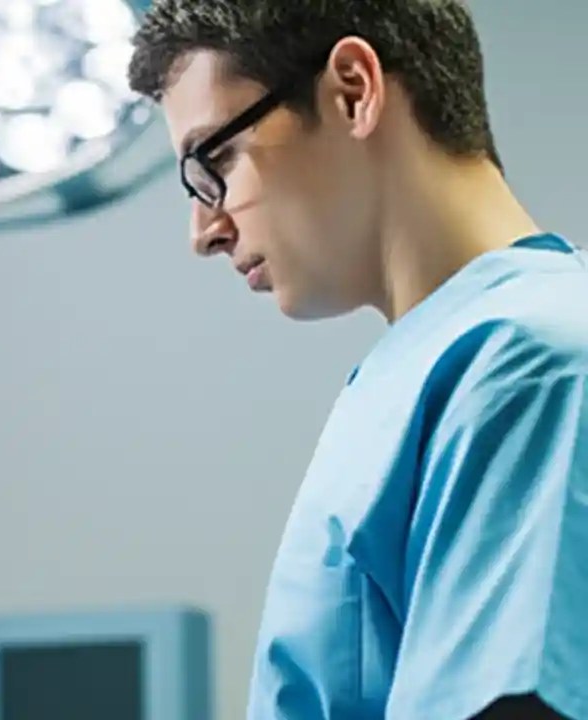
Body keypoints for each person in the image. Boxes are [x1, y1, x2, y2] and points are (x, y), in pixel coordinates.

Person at [127, 1, 588, 718]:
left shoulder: (534, 361)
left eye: (214, 161)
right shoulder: (428, 371)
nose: (205, 232)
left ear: (352, 90)